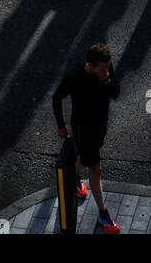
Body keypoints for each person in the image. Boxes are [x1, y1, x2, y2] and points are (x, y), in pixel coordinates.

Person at [52, 43, 121, 234]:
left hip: (100, 128)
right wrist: (61, 125)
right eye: (102, 69)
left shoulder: (105, 69)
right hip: (83, 129)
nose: (106, 72)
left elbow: (115, 92)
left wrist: (106, 80)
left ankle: (72, 178)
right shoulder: (75, 76)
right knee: (96, 168)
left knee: (83, 157)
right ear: (90, 65)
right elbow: (56, 97)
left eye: (107, 68)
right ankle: (102, 213)